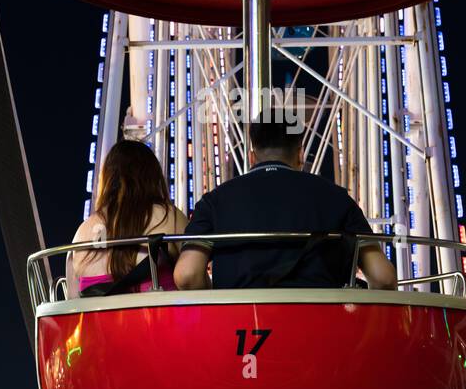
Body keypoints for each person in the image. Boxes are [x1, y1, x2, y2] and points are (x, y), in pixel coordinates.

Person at [173, 105, 398, 291]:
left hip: (241, 327)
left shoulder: (215, 201)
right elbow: (383, 277)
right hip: (322, 325)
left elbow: (186, 275)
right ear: (300, 154)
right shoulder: (337, 198)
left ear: (252, 156)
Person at [68, 138, 187, 296]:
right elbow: (192, 276)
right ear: (152, 176)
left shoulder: (81, 234)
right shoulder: (169, 217)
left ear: (107, 179)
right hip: (159, 319)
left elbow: (72, 303)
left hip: (99, 320)